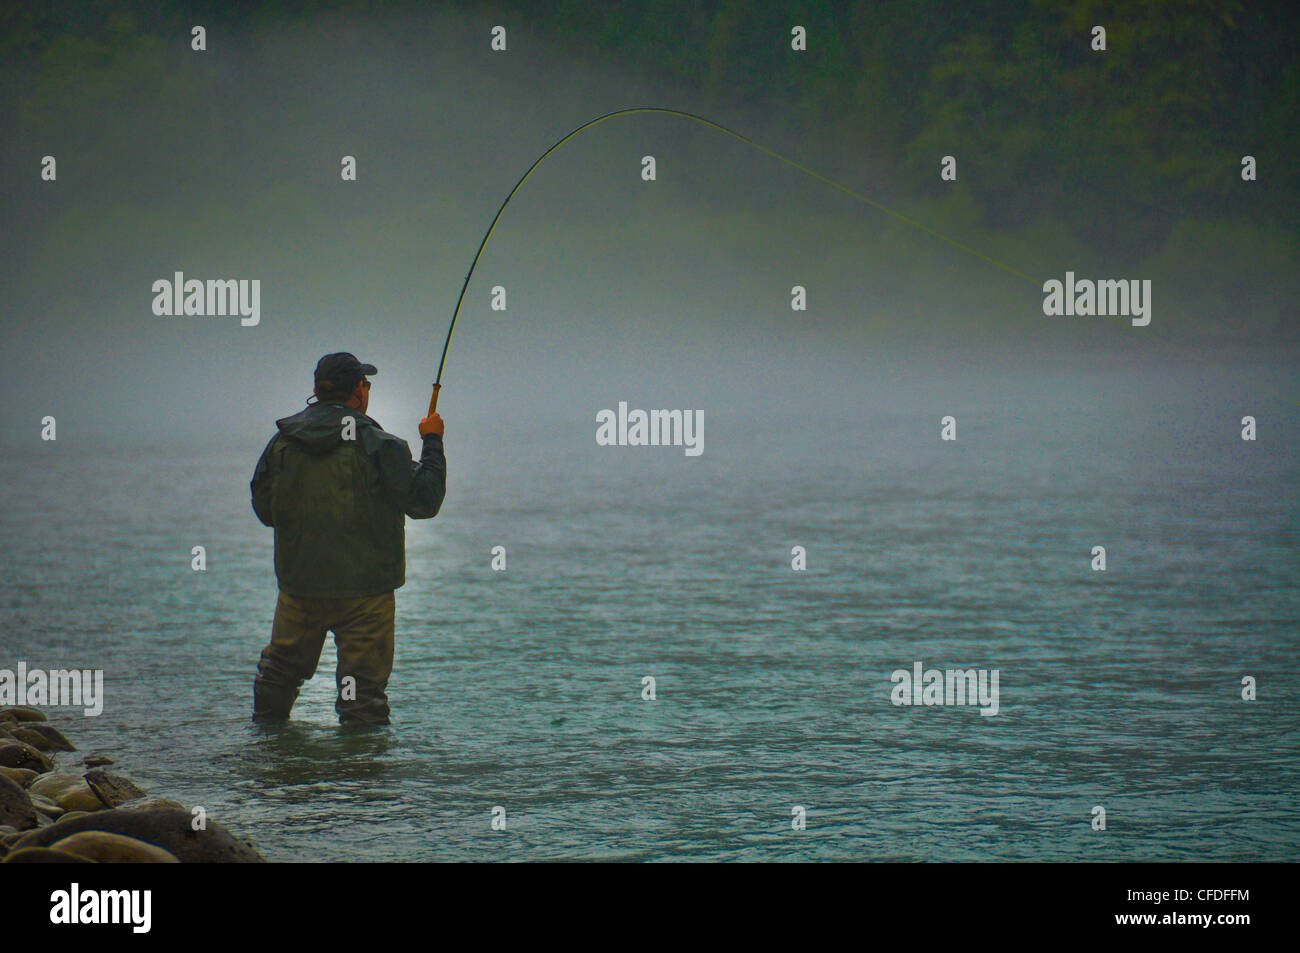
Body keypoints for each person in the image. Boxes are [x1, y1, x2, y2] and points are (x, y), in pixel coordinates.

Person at [249, 352, 446, 726]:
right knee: (362, 696)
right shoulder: (379, 445)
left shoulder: (282, 443)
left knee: (279, 676)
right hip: (366, 595)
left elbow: (265, 511)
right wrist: (432, 442)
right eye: (366, 383)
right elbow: (424, 502)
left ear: (315, 390)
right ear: (358, 390)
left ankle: (269, 763)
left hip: (301, 588)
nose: (367, 390)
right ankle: (361, 780)